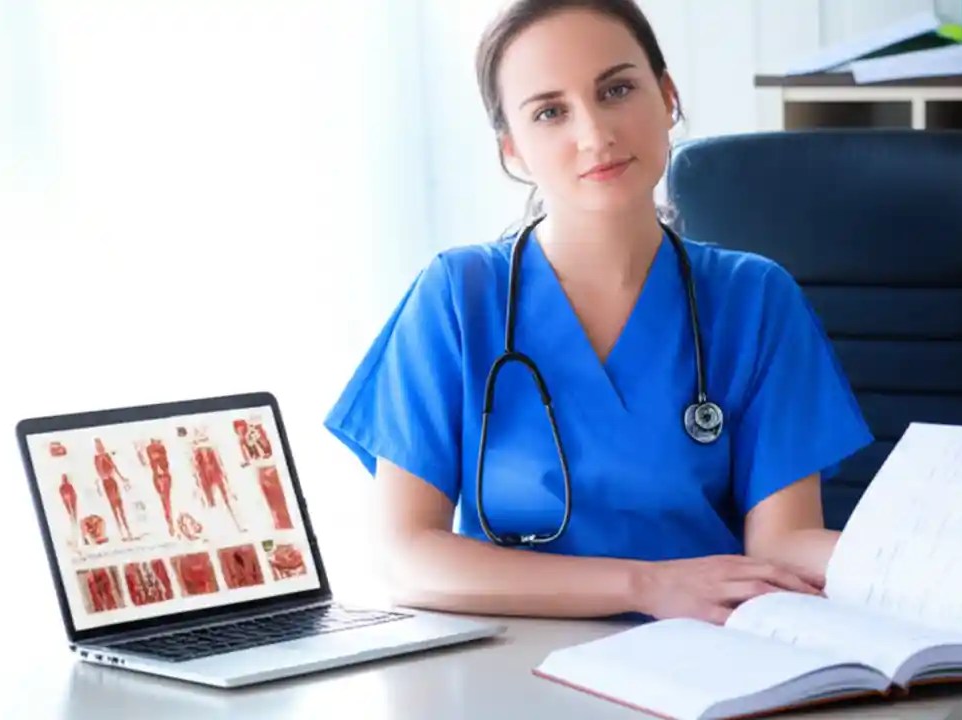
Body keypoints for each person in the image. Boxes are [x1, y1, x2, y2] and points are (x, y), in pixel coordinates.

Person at [325, 0, 872, 626]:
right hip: (507, 664)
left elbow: (782, 545)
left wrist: (944, 568)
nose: (595, 134)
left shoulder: (755, 299)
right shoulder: (457, 297)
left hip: (706, 658)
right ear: (513, 149)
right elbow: (405, 557)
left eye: (616, 90)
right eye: (550, 112)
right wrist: (644, 586)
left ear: (667, 97)